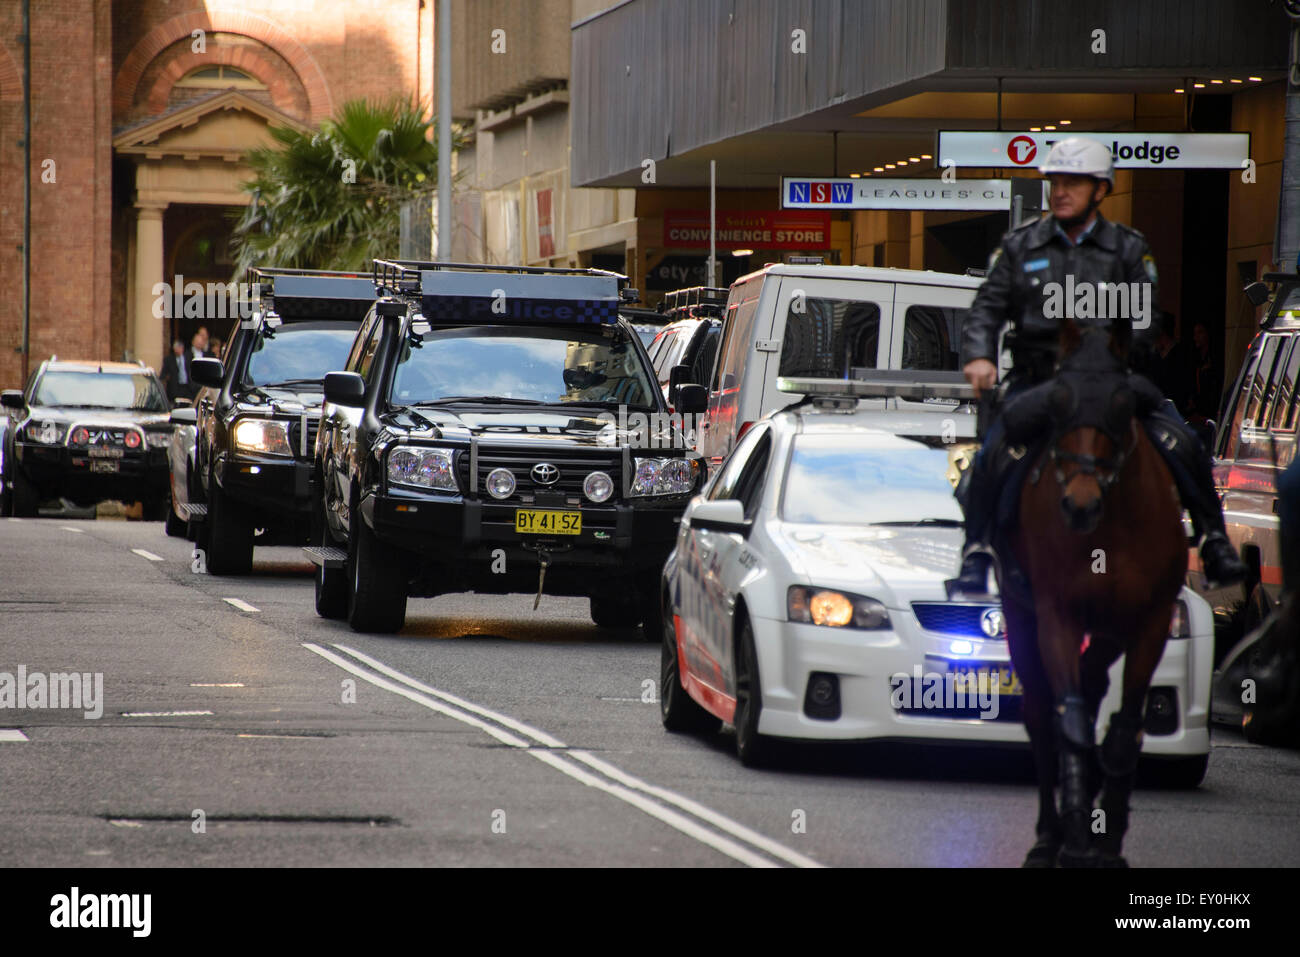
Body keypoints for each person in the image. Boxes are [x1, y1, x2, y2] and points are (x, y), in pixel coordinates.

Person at [948, 135, 1246, 597]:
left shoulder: (1129, 249)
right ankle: (977, 551)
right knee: (991, 454)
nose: (1061, 190)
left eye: (1074, 182)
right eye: (1055, 181)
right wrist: (980, 356)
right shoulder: (1019, 246)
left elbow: (1146, 317)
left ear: (1101, 190)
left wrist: (1114, 353)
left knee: (1182, 439)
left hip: (1113, 381)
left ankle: (1213, 540)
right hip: (1040, 381)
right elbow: (986, 308)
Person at [160, 339, 189, 405]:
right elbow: (163, 374)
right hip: (175, 389)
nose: (177, 350)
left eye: (178, 348)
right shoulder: (169, 359)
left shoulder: (188, 357)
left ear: (182, 348)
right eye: (175, 348)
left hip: (186, 388)